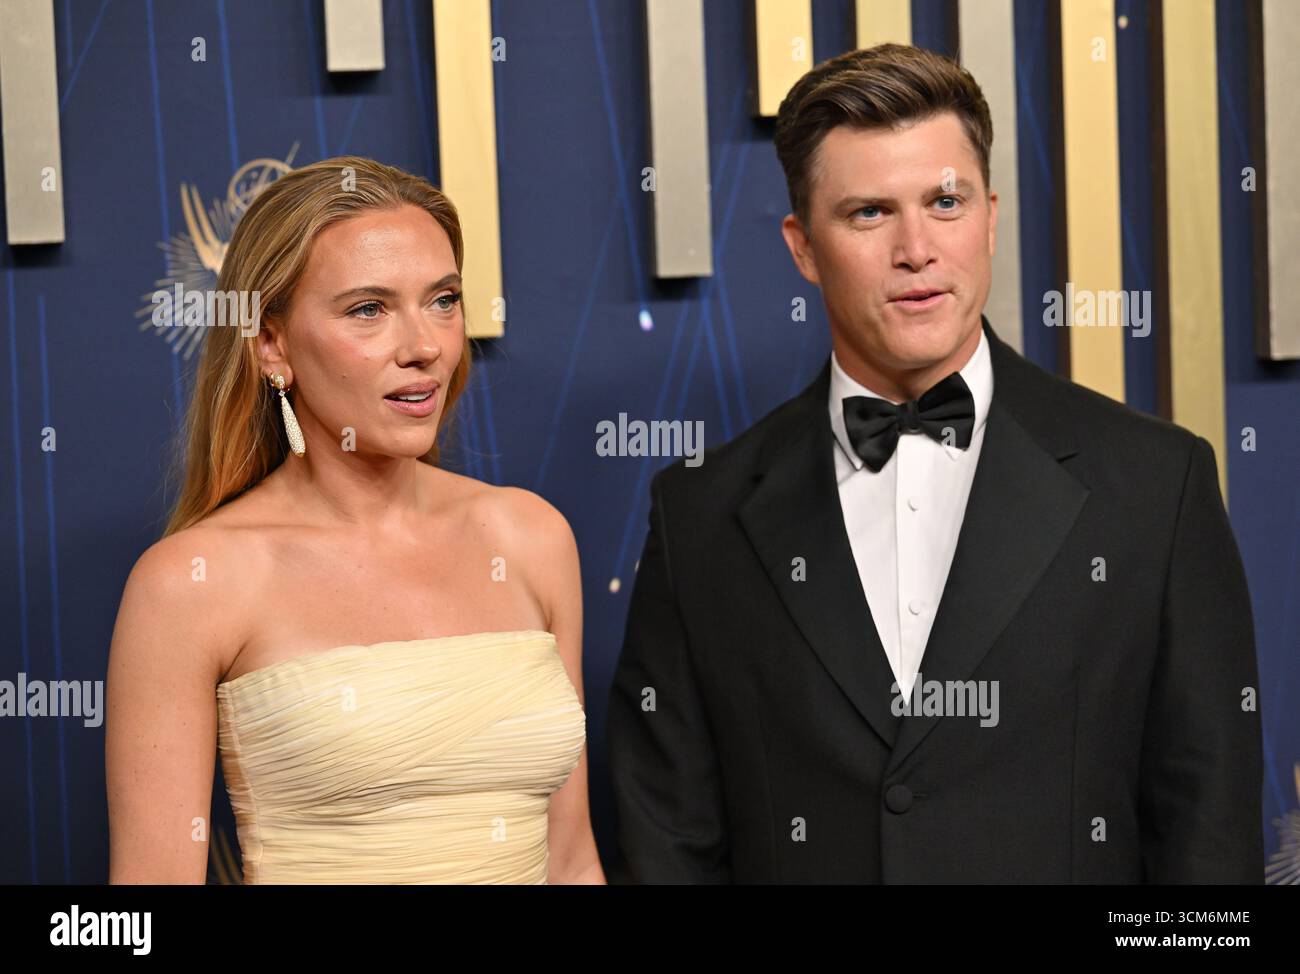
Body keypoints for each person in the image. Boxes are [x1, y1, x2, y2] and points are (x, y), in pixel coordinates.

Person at [607, 44, 1263, 883]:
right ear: (803, 247)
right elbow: (668, 845)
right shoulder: (698, 513)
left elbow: (1208, 838)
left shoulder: (1156, 484)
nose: (916, 248)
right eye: (870, 213)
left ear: (989, 216)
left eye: (944, 202)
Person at [106, 157, 604, 884]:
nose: (424, 346)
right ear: (271, 344)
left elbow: (571, 858)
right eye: (368, 309)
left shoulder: (530, 538)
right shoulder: (193, 582)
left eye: (442, 299)